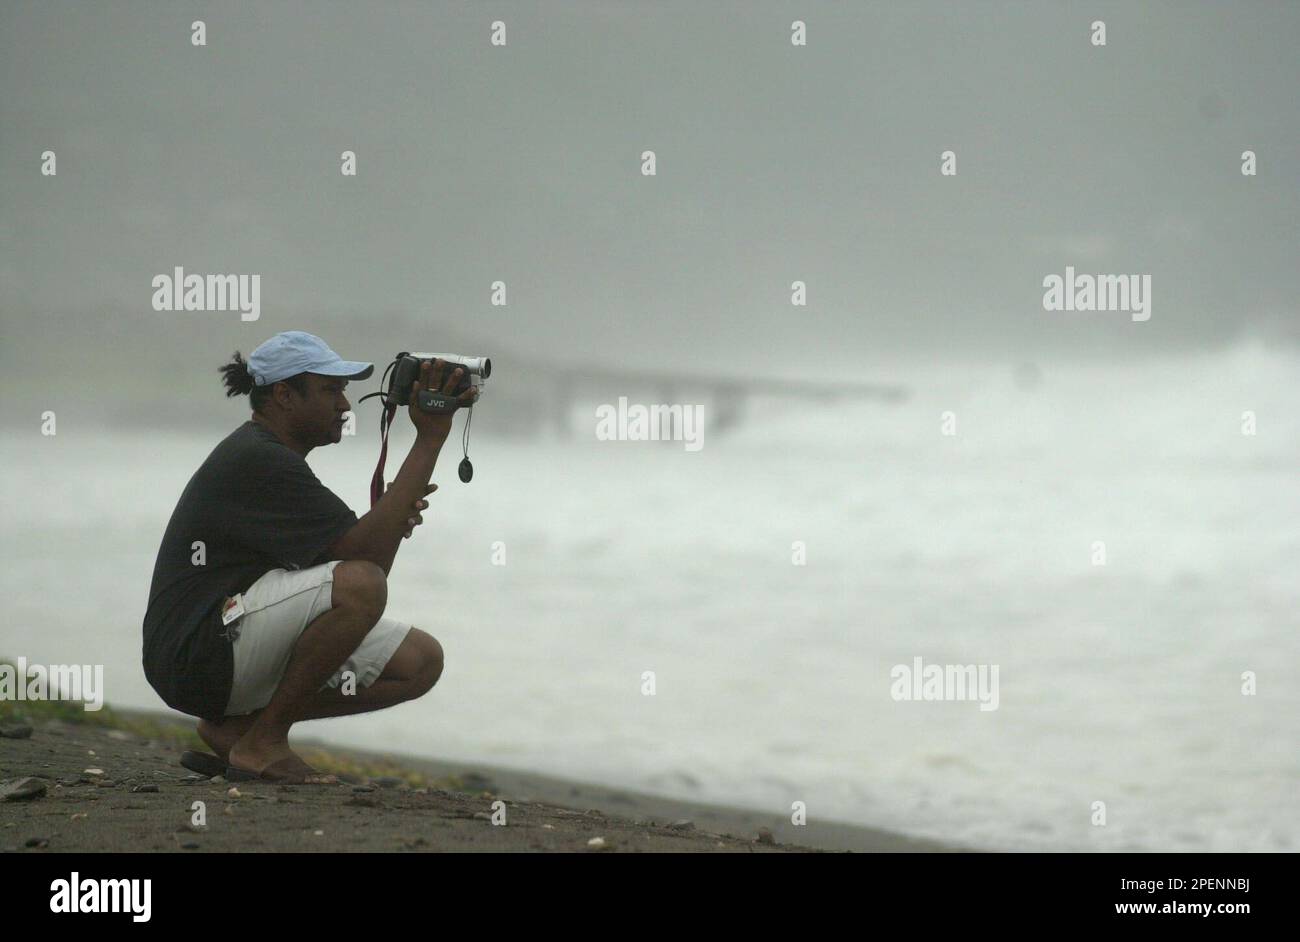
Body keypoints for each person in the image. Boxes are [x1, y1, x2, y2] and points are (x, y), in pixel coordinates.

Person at [141, 331, 477, 783]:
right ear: (283, 395)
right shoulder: (259, 459)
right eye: (331, 390)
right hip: (198, 655)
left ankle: (242, 729)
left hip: (219, 645)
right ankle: (264, 744)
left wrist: (393, 513)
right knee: (360, 586)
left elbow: (363, 567)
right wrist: (430, 438)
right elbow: (364, 576)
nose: (344, 405)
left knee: (418, 662)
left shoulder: (268, 457)